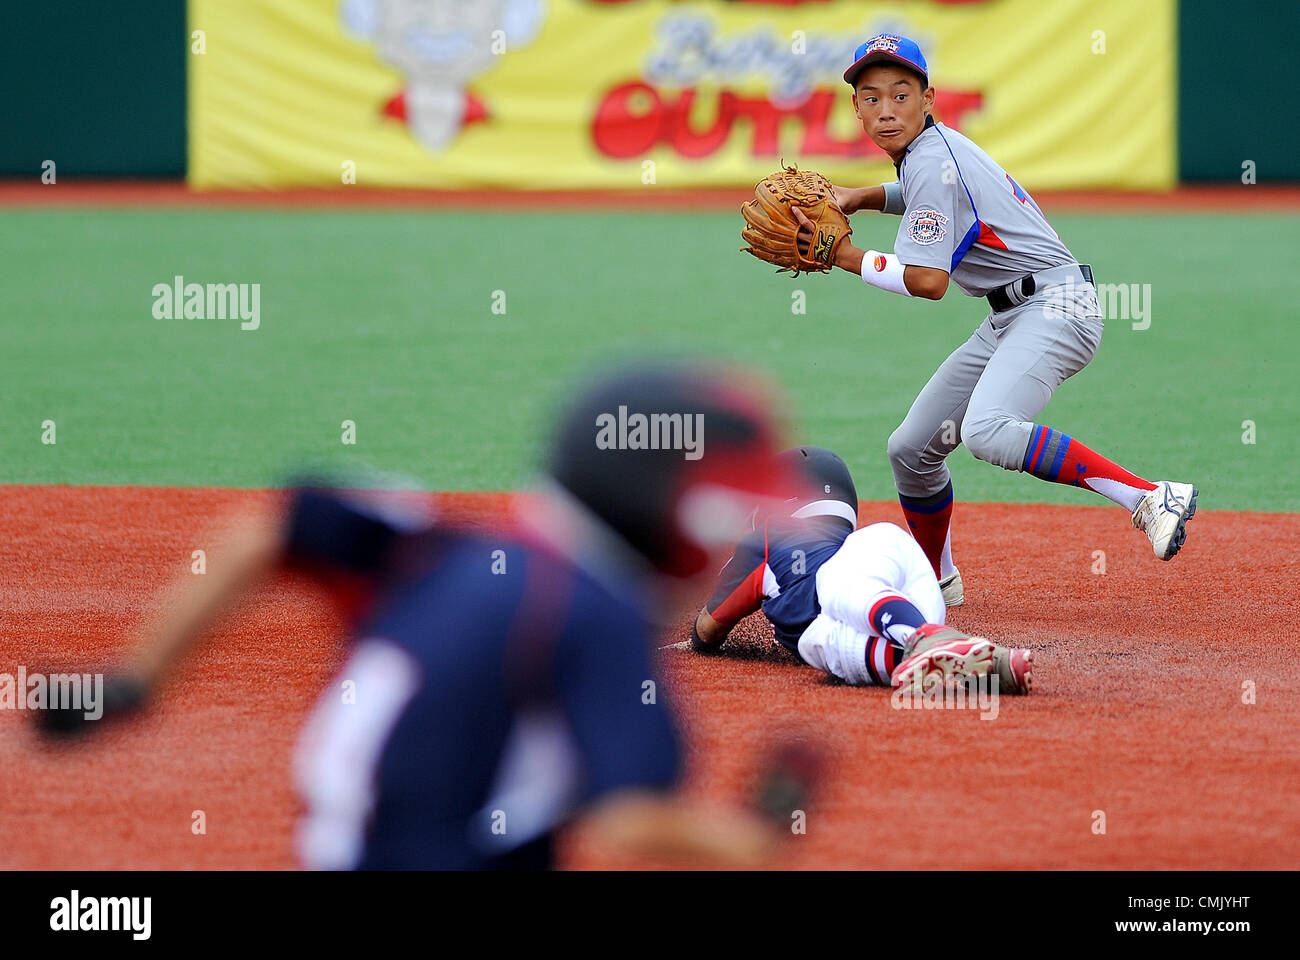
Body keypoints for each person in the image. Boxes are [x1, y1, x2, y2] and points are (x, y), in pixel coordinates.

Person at [38, 364, 801, 869]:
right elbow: (630, 822)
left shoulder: (437, 543)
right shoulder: (599, 618)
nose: (719, 546)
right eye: (716, 517)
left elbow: (268, 528)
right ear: (655, 512)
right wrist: (758, 835)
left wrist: (136, 681)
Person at [789, 34, 1198, 607]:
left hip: (1057, 308)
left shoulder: (931, 160)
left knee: (986, 429)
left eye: (901, 95)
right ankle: (937, 581)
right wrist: (862, 196)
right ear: (855, 108)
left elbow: (928, 282)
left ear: (927, 99)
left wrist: (846, 256)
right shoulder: (930, 153)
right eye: (872, 97)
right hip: (1016, 313)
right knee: (911, 448)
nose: (887, 110)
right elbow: (928, 194)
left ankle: (1151, 497)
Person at [691, 445, 1033, 693]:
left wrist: (696, 640)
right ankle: (976, 664)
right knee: (820, 643)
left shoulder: (766, 538)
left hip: (867, 588)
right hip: (908, 586)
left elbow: (708, 629)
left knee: (827, 606)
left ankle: (925, 639)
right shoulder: (848, 540)